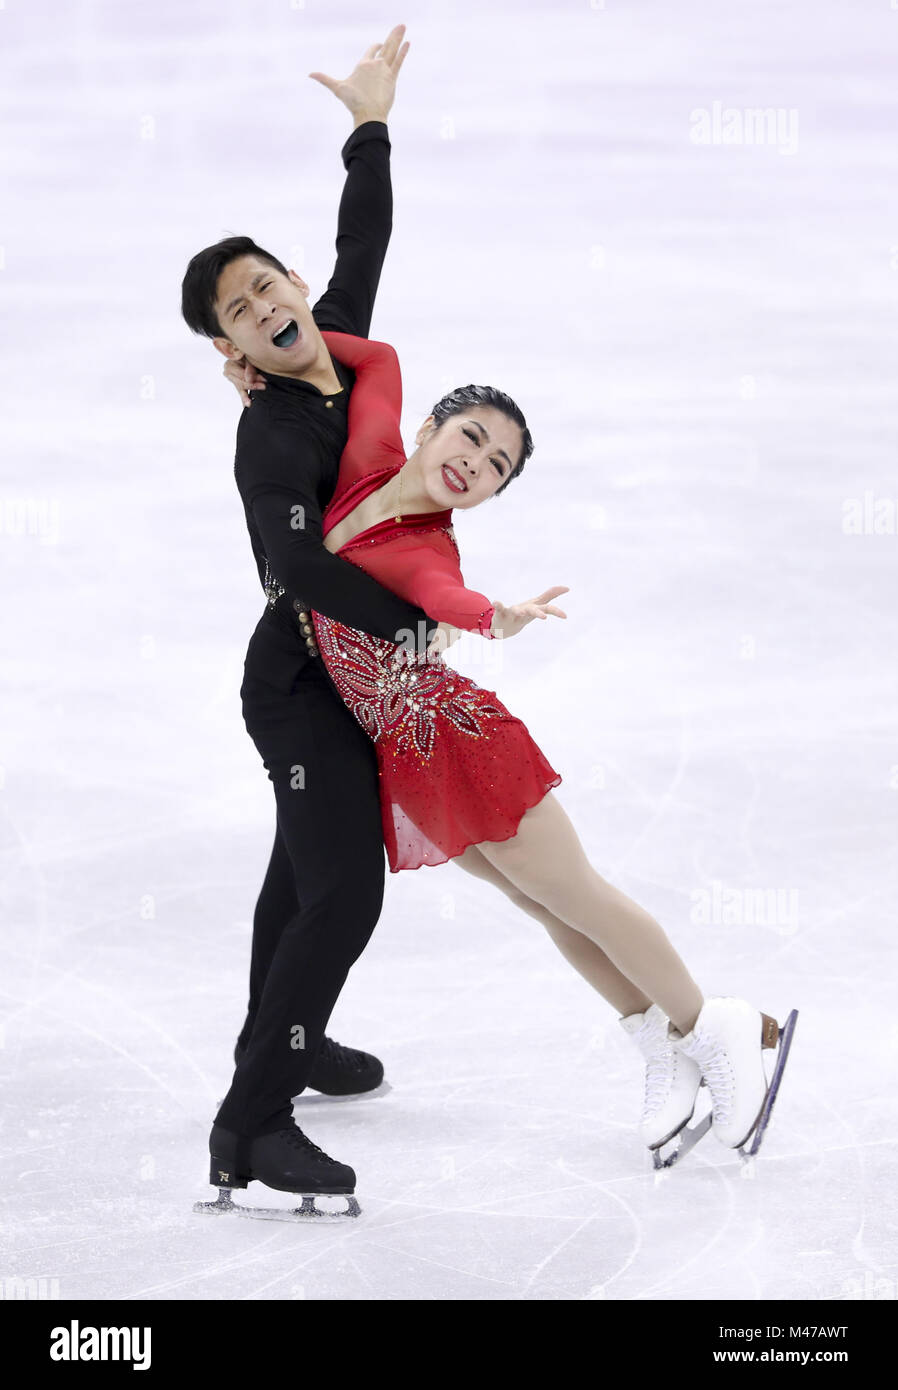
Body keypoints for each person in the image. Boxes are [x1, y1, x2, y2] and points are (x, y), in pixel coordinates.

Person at [304, 329, 799, 1170]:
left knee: (580, 895)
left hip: (458, 742)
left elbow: (446, 596)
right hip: (408, 760)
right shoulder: (367, 452)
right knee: (546, 909)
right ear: (429, 429)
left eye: (497, 466)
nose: (476, 462)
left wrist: (497, 616)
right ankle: (662, 1042)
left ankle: (715, 1028)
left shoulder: (428, 548)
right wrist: (277, 345)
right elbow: (378, 358)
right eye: (472, 437)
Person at [180, 27, 443, 1216]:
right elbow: (292, 563)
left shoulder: (338, 340)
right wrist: (402, 618)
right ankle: (250, 1120)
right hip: (297, 681)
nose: (265, 306)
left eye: (265, 283)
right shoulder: (271, 432)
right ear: (230, 352)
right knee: (344, 892)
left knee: (300, 877)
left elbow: (363, 238)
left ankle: (289, 1038)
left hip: (347, 670)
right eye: (240, 311)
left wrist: (369, 124)